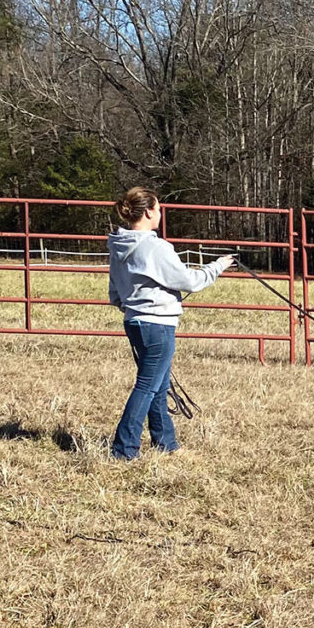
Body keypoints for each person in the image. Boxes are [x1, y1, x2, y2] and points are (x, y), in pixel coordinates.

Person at [106, 187, 233, 460]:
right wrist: (217, 266)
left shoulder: (117, 245)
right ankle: (124, 449)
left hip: (134, 322)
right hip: (158, 325)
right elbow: (189, 281)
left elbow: (115, 293)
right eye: (159, 208)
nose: (161, 214)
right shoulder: (156, 247)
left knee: (158, 386)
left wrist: (135, 306)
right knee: (147, 386)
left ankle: (165, 442)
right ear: (148, 212)